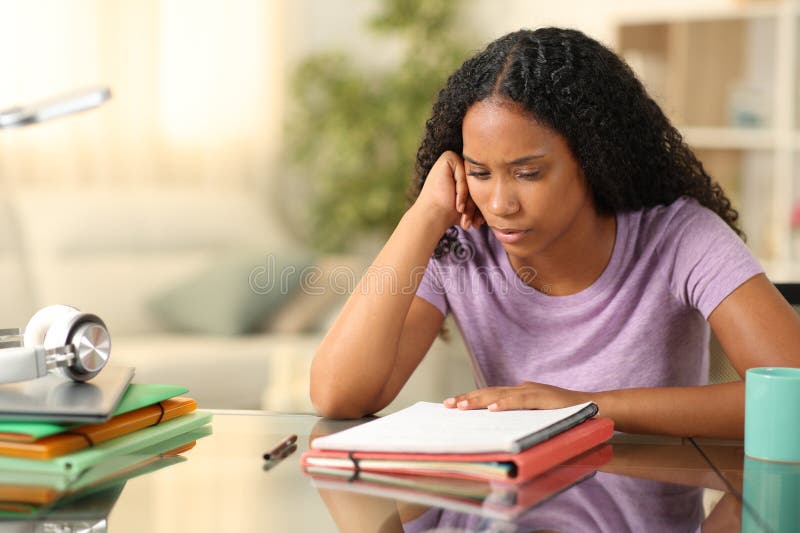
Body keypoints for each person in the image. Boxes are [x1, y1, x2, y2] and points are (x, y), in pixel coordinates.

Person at [309, 27, 800, 438]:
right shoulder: (462, 246)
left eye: (528, 173)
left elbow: (793, 398)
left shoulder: (680, 237)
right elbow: (338, 396)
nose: (501, 204)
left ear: (593, 159)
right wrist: (422, 216)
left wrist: (586, 406)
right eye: (480, 173)